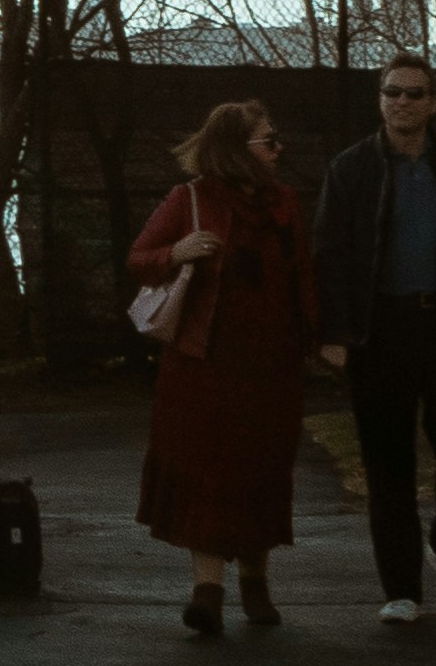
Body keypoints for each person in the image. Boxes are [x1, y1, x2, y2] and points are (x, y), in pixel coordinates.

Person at [305, 57, 436, 622]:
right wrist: (336, 332)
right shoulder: (351, 169)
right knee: (387, 462)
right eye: (392, 92)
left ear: (433, 102)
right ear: (379, 99)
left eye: (415, 94)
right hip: (380, 331)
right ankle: (400, 590)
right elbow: (331, 255)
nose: (402, 102)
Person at [129, 99, 316, 634]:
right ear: (238, 149)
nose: (278, 149)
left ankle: (255, 582)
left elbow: (303, 273)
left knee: (260, 469)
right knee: (206, 473)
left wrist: (319, 339)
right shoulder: (189, 198)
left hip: (272, 363)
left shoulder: (285, 203)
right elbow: (139, 257)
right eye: (268, 141)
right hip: (203, 362)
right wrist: (177, 252)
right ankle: (206, 590)